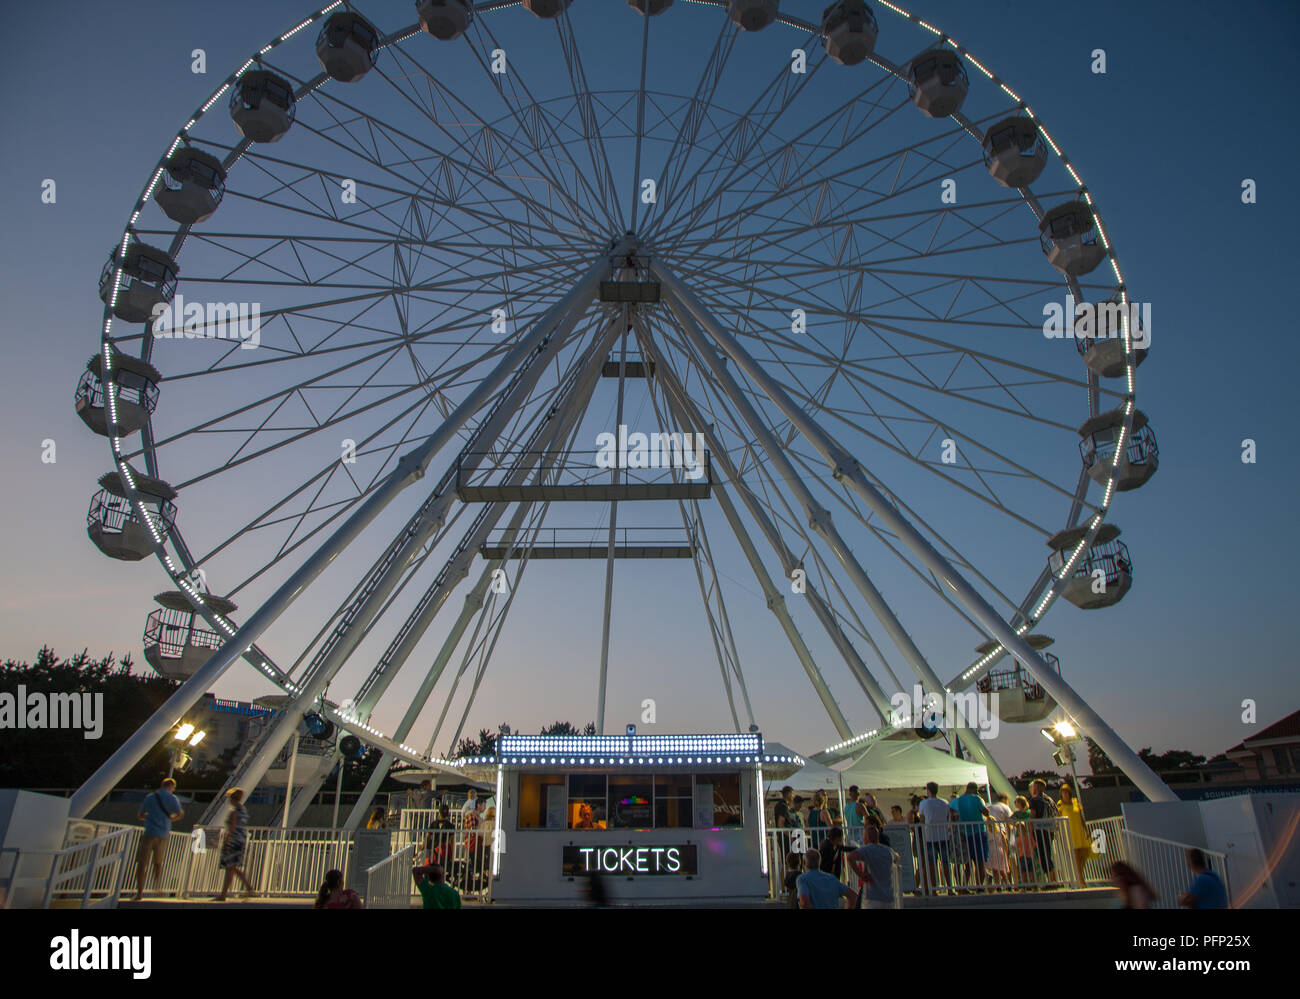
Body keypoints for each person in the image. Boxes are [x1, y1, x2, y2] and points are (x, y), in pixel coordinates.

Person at [134, 777, 183, 901]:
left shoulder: (150, 797)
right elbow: (179, 813)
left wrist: (150, 817)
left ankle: (139, 893)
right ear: (171, 786)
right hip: (163, 833)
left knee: (142, 863)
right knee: (158, 862)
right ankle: (157, 887)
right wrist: (170, 819)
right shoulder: (172, 799)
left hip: (149, 832)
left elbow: (140, 815)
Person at [215, 788, 255, 901]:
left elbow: (231, 827)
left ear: (231, 798)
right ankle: (248, 887)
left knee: (230, 867)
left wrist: (227, 840)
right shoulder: (243, 810)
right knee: (232, 868)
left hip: (233, 841)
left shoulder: (234, 811)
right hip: (240, 840)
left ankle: (224, 895)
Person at [951, 782, 990, 891]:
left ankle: (962, 886)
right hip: (978, 832)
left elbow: (950, 812)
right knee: (980, 862)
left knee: (966, 863)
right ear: (974, 789)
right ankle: (979, 886)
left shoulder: (956, 801)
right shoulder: (977, 798)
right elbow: (985, 812)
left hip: (963, 834)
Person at [850, 824, 900, 909]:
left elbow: (850, 857)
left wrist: (860, 874)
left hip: (872, 898)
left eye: (864, 836)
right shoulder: (888, 850)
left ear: (867, 837)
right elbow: (897, 857)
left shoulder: (867, 849)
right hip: (888, 898)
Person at [917, 781, 954, 894]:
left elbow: (922, 819)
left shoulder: (923, 803)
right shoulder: (944, 802)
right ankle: (949, 888)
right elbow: (948, 816)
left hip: (930, 836)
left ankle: (934, 889)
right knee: (946, 863)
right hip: (943, 835)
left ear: (928, 791)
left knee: (932, 863)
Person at [1057, 783, 1091, 886]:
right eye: (1063, 792)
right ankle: (1081, 881)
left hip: (1079, 830)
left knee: (1085, 852)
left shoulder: (1075, 802)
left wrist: (1086, 829)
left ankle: (1078, 875)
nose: (1065, 794)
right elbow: (1058, 820)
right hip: (1069, 832)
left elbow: (1081, 817)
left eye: (1067, 792)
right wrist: (1059, 833)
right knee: (1076, 857)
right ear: (1061, 794)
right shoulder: (1060, 804)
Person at [1027, 779, 1058, 885]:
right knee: (1047, 855)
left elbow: (1032, 817)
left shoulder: (1034, 801)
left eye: (1034, 787)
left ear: (1038, 788)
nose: (1032, 789)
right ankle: (1053, 880)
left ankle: (1051, 881)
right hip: (1050, 830)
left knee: (1043, 857)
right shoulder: (1049, 800)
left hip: (1039, 832)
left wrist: (1030, 834)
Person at [985, 791, 1014, 890]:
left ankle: (999, 885)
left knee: (996, 869)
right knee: (1003, 867)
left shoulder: (989, 807)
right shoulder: (1005, 807)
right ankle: (1006, 883)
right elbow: (1010, 823)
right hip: (1001, 838)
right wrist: (1009, 842)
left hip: (992, 848)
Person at [1010, 795, 1036, 886]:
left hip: (1027, 835)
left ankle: (1031, 883)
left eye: (1016, 802)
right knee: (1025, 865)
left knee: (1029, 865)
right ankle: (1027, 884)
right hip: (1023, 836)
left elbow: (1010, 819)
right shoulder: (1018, 813)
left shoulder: (1025, 813)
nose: (1015, 803)